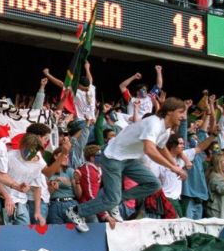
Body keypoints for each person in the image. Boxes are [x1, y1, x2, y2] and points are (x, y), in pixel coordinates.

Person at [69, 98, 189, 230]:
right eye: (181, 112)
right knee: (112, 199)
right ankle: (76, 211)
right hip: (112, 156)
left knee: (154, 184)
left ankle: (116, 201)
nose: (184, 117)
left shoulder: (165, 129)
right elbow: (149, 150)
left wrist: (175, 165)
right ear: (170, 112)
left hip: (129, 159)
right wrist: (173, 168)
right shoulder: (154, 123)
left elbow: (161, 147)